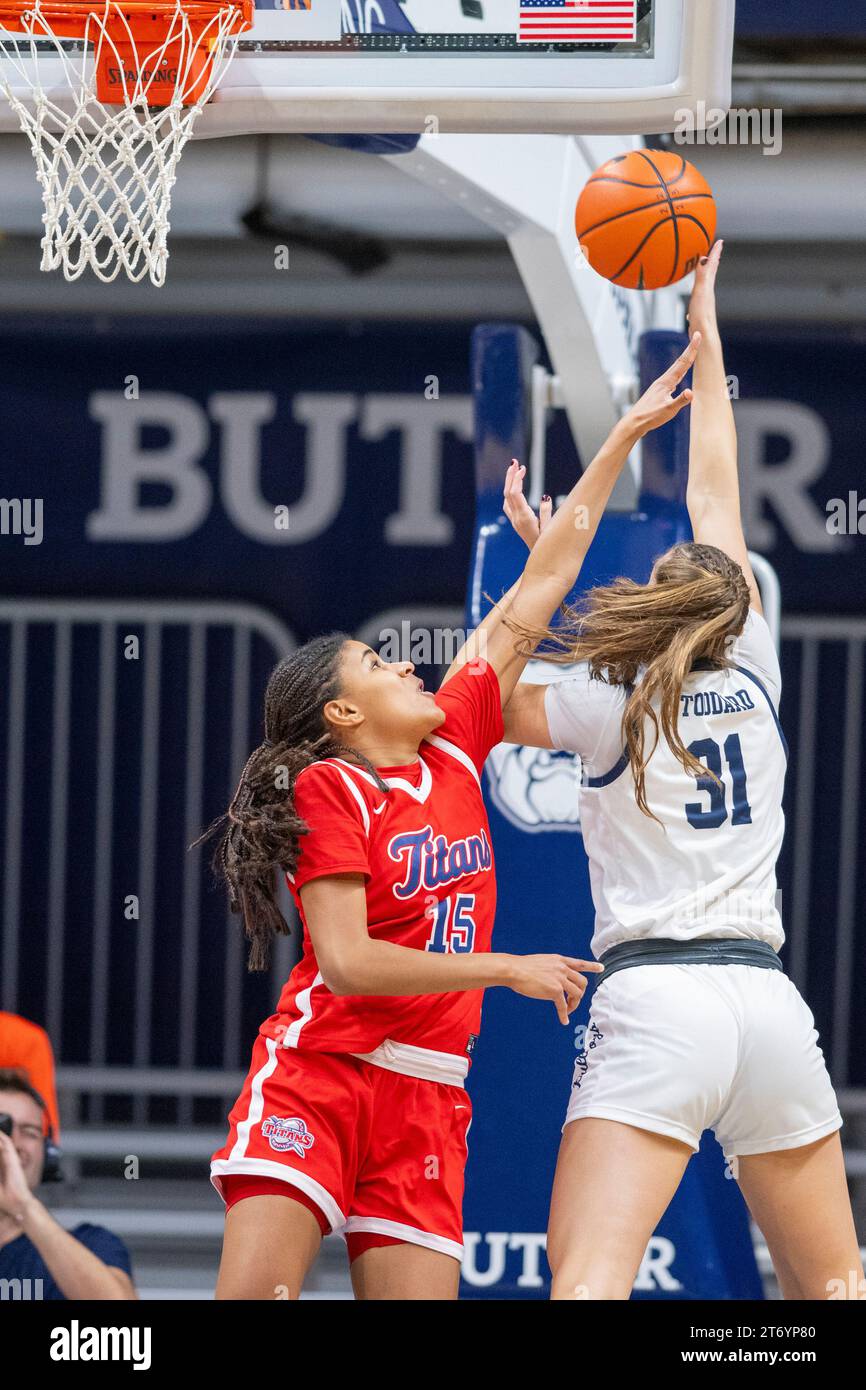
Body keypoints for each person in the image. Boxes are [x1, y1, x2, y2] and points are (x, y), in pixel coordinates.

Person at [204, 335, 701, 1300]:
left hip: (430, 1091)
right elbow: (347, 962)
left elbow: (542, 586)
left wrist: (624, 437)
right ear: (343, 717)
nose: (409, 665)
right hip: (325, 1068)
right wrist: (507, 966)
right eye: (381, 667)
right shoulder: (331, 791)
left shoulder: (455, 750)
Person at [499, 241, 863, 1301]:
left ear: (655, 603)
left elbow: (480, 700)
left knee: (588, 1278)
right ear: (733, 608)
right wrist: (707, 331)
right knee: (830, 1286)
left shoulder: (601, 704)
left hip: (655, 997)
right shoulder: (753, 669)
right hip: (764, 1003)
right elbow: (716, 491)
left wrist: (535, 574)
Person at [0, 1070, 136, 1300]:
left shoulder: (92, 1243)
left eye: (29, 1132)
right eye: (2, 1128)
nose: (11, 1144)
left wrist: (24, 1206)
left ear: (49, 1155)